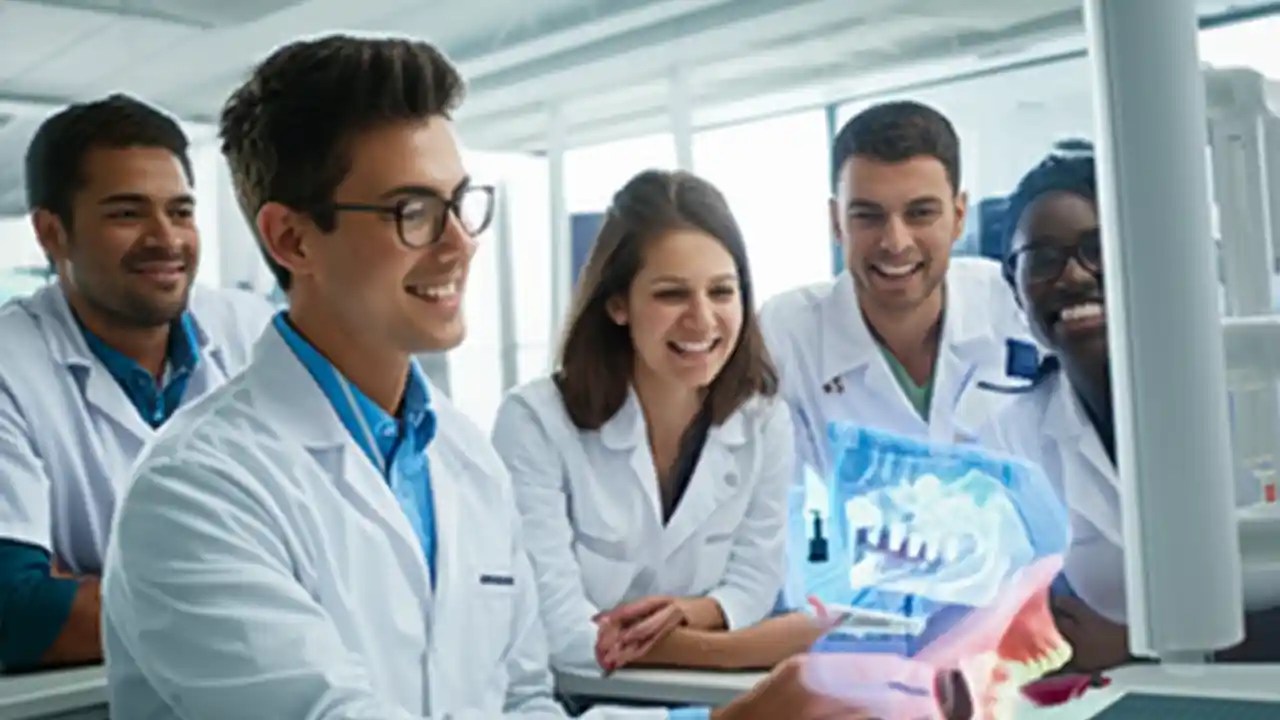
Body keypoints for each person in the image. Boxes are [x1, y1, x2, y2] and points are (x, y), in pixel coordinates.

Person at [99, 35, 889, 719]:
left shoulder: (464, 462)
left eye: (460, 204)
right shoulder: (198, 490)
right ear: (292, 238)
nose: (458, 245)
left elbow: (523, 705)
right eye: (412, 211)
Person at [493, 169, 830, 677]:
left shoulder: (763, 422)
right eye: (672, 294)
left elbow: (753, 584)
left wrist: (695, 613)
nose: (702, 320)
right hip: (578, 703)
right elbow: (556, 628)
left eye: (721, 292)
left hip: (709, 698)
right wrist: (738, 649)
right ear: (617, 304)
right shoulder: (535, 422)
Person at [979, 142, 1280, 671]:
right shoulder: (1014, 436)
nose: (1071, 276)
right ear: (1014, 285)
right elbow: (1018, 622)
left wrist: (1134, 649)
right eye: (1042, 260)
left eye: (1098, 247)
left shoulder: (1257, 389)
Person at [0, 94, 273, 672]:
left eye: (180, 211)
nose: (165, 239)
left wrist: (84, 588)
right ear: (53, 233)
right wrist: (266, 593)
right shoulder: (9, 366)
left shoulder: (254, 335)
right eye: (127, 213)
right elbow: (16, 611)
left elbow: (347, 553)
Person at [758, 100, 1033, 606]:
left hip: (1032, 607)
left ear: (958, 216)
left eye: (920, 213)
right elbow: (772, 516)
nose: (895, 242)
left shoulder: (1015, 304)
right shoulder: (787, 332)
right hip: (876, 614)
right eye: (868, 216)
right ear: (836, 223)